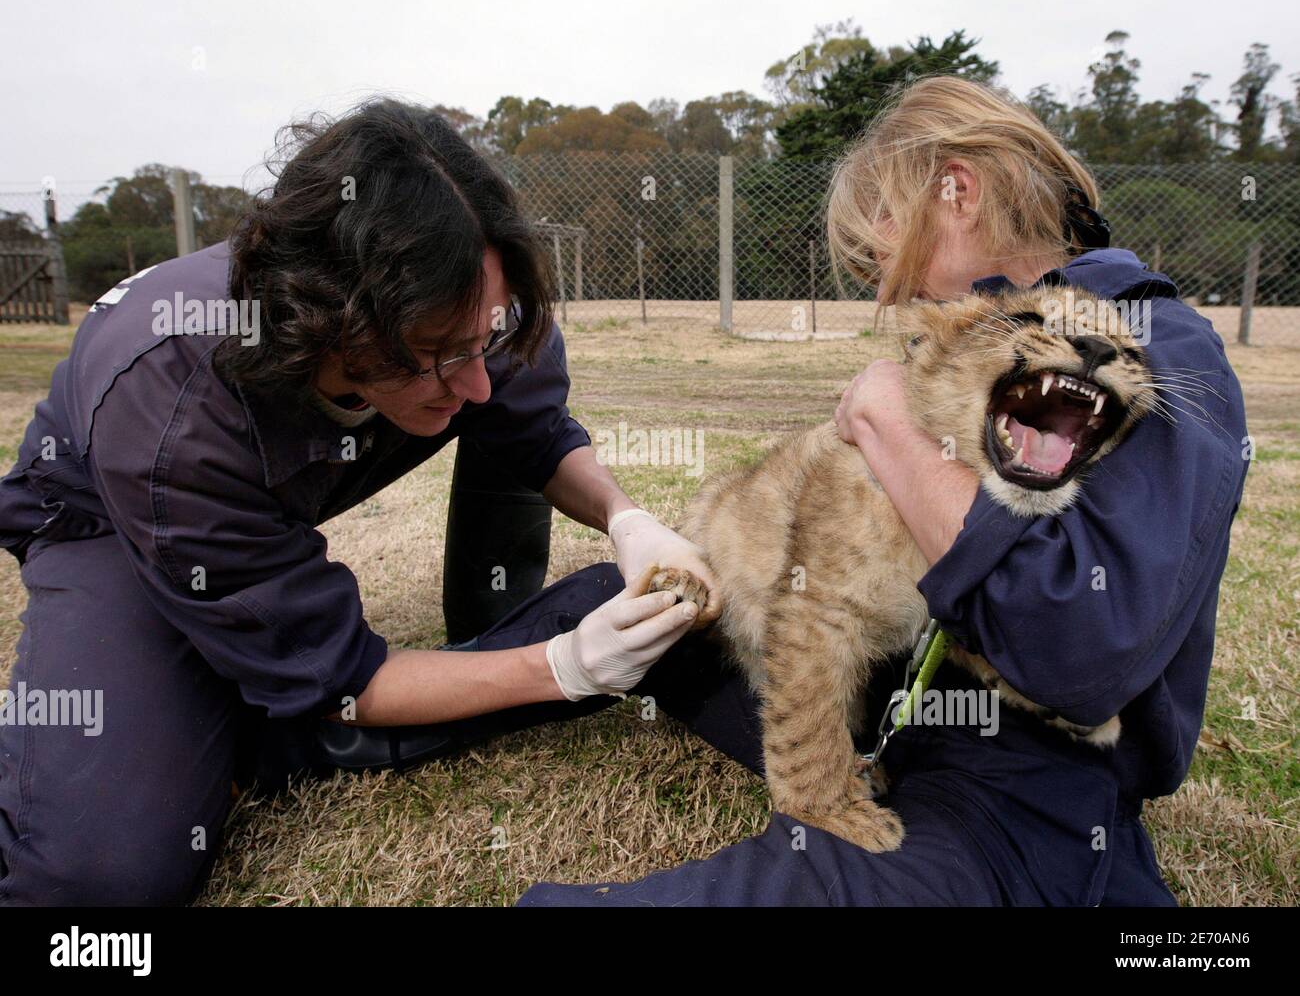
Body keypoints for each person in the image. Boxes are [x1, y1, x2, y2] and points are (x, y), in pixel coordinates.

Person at [516, 76, 1250, 906]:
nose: (883, 292)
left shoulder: (1151, 340)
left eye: (881, 253)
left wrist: (888, 425)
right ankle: (368, 714)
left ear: (958, 192)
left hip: (1015, 774)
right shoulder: (977, 337)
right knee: (618, 602)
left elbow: (1079, 654)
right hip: (894, 700)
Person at [0, 99, 719, 906]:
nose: (477, 379)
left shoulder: (461, 308)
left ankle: (483, 628)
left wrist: (631, 520)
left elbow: (533, 430)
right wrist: (564, 669)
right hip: (110, 513)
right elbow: (346, 679)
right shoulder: (176, 412)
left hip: (279, 455)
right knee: (100, 873)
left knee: (486, 396)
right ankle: (243, 719)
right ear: (324, 320)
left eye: (484, 335)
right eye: (441, 354)